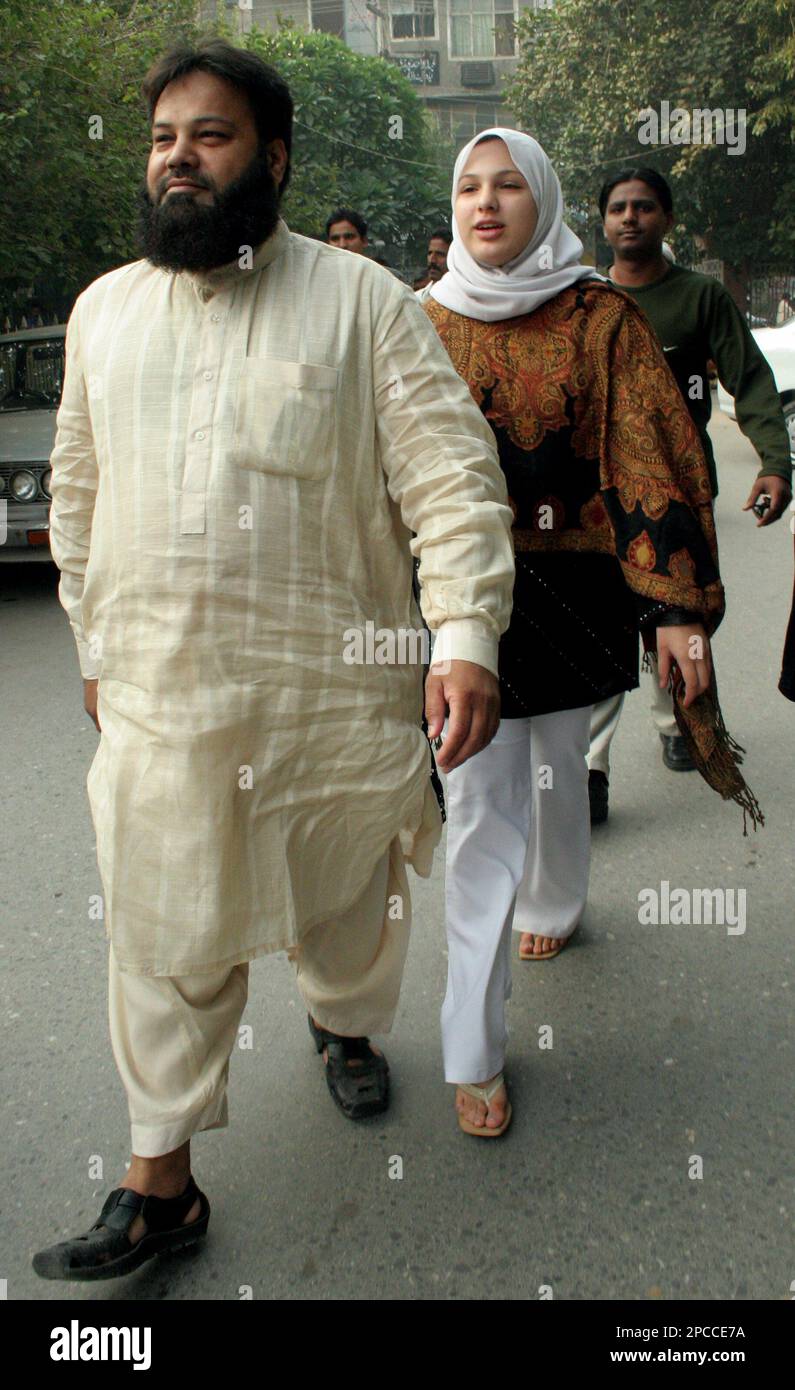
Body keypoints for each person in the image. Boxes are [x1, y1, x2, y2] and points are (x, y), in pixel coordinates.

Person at [33, 39, 515, 1281]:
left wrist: (464, 635)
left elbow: (450, 480)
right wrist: (93, 638)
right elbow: (78, 494)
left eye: (212, 136)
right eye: (163, 139)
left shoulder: (364, 305)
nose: (179, 159)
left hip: (330, 698)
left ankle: (345, 1026)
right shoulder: (103, 312)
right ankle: (161, 1179)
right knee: (163, 930)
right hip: (163, 699)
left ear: (276, 159)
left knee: (347, 905)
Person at [422, 128, 732, 1135]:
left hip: (574, 587)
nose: (485, 203)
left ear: (545, 200)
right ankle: (473, 1048)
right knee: (477, 806)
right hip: (464, 602)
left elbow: (648, 452)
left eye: (509, 185)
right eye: (469, 187)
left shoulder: (602, 317)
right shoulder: (418, 321)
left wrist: (676, 607)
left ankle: (554, 903)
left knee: (558, 772)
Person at [588, 168, 792, 821]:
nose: (630, 217)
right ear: (603, 221)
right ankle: (590, 765)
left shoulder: (700, 298)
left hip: (679, 490)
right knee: (602, 620)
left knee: (676, 610)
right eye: (618, 207)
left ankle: (677, 721)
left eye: (644, 206)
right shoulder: (586, 302)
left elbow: (749, 379)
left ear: (667, 219)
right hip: (599, 494)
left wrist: (776, 461)